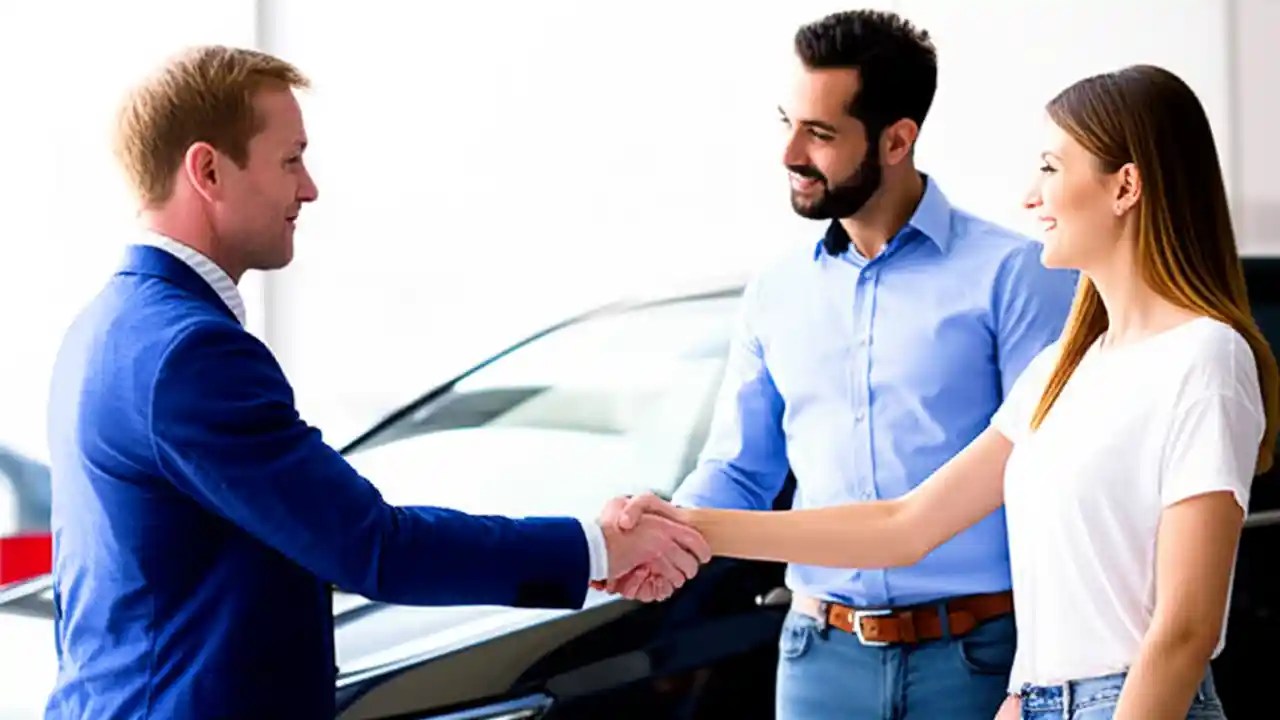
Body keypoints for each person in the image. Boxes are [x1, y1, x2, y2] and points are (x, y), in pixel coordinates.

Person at [42, 45, 709, 720]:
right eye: (291, 158)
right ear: (209, 170)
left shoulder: (106, 327)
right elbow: (371, 546)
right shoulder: (191, 350)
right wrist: (595, 545)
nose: (309, 188)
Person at [610, 63, 1280, 720]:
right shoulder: (1062, 369)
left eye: (1050, 168)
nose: (1029, 198)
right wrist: (685, 524)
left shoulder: (1204, 357)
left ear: (1125, 185)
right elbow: (905, 526)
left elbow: (1183, 632)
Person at [599, 9, 1078, 719]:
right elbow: (739, 470)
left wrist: (1037, 672)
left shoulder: (1016, 275)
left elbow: (1050, 493)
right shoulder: (775, 291)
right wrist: (663, 528)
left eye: (820, 133)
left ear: (896, 139)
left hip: (977, 659)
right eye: (787, 123)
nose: (790, 152)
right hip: (818, 661)